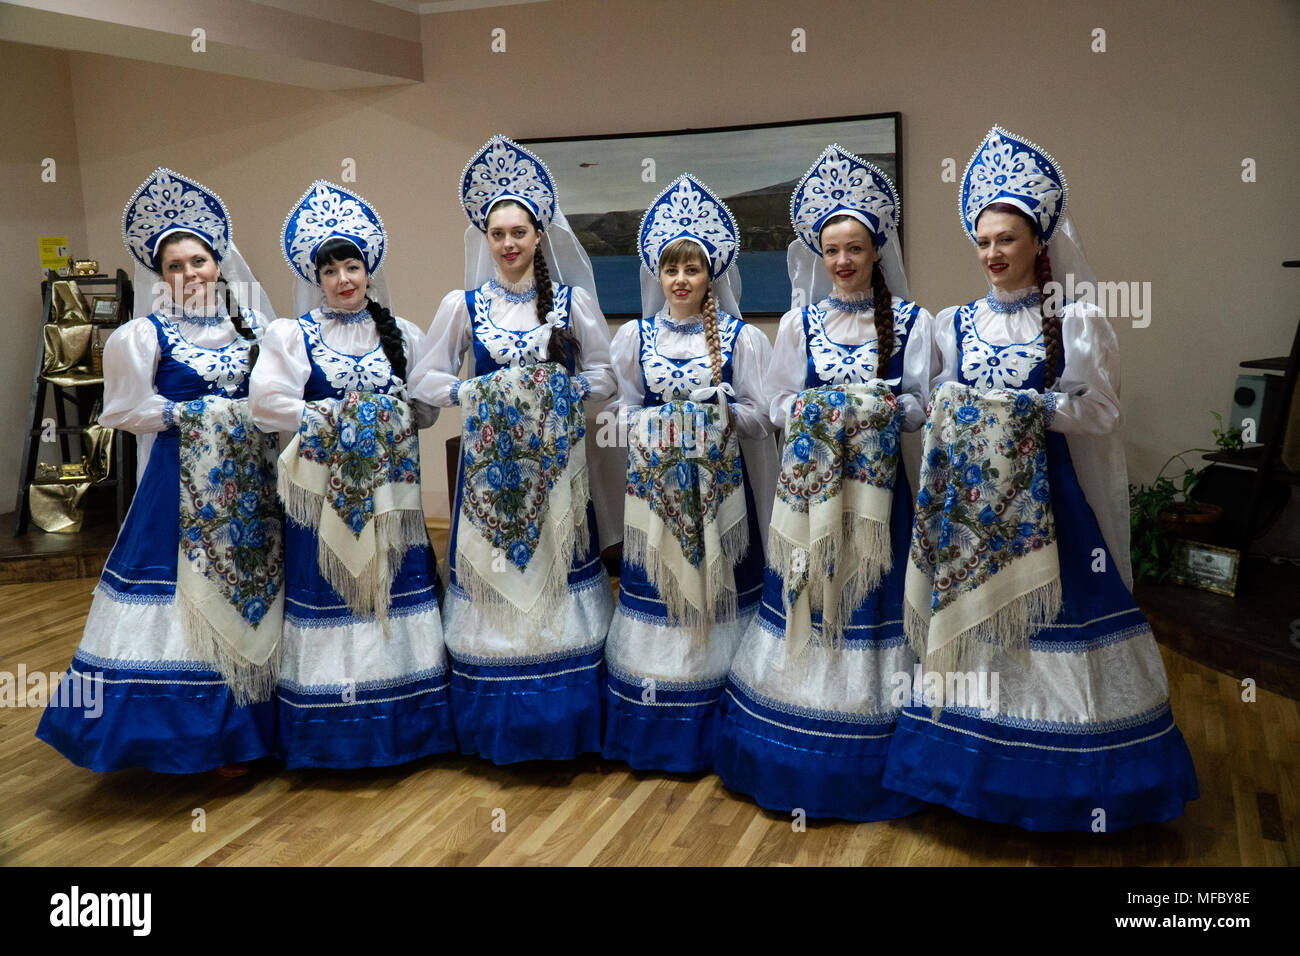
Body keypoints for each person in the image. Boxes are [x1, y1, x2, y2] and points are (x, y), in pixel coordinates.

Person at [882, 126, 1199, 831]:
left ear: (1038, 245)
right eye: (984, 241)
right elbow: (934, 407)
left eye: (1008, 240)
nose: (994, 254)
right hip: (970, 519)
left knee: (1063, 635)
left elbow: (1100, 412)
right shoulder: (952, 323)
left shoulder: (1076, 319)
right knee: (975, 640)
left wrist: (1022, 408)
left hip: (1051, 510)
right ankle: (968, 777)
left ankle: (1068, 787)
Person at [713, 146, 936, 819]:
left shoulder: (913, 322)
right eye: (833, 249)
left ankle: (879, 753)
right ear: (818, 253)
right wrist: (818, 410)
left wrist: (877, 406)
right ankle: (793, 748)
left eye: (856, 249)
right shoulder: (796, 324)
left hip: (878, 503)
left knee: (874, 604)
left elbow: (923, 405)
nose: (843, 261)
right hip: (808, 500)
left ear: (876, 252)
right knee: (807, 596)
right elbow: (777, 406)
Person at [36, 167, 280, 774]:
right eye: (175, 266)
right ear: (159, 275)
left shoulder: (256, 332)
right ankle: (185, 739)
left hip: (250, 488)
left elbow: (276, 403)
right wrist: (193, 410)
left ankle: (251, 731)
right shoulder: (140, 335)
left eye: (198, 261)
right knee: (181, 601)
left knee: (247, 592)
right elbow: (121, 410)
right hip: (176, 488)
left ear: (218, 263)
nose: (189, 274)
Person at [409, 135, 616, 764]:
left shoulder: (571, 303)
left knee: (558, 580)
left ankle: (566, 726)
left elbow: (606, 378)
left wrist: (557, 386)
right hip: (491, 482)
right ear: (484, 237)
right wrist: (481, 389)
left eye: (519, 232)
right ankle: (494, 727)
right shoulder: (460, 305)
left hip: (557, 475)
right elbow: (424, 381)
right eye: (497, 233)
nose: (508, 244)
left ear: (538, 235)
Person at [249, 180, 455, 768]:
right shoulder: (291, 336)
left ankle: (409, 731)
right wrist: (337, 413)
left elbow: (425, 408)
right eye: (331, 268)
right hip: (324, 503)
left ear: (368, 270)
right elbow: (267, 403)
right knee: (333, 599)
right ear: (316, 277)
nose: (343, 278)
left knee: (395, 592)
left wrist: (382, 412)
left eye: (353, 265)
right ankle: (333, 741)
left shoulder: (404, 334)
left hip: (394, 502)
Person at [602, 173, 776, 773]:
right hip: (656, 502)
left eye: (693, 268)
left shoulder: (742, 339)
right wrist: (657, 425)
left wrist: (717, 415)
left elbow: (761, 417)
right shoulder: (634, 337)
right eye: (670, 268)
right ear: (657, 274)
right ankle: (656, 735)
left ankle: (719, 733)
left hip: (721, 498)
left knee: (722, 599)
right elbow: (619, 414)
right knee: (660, 602)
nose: (680, 279)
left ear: (711, 277)